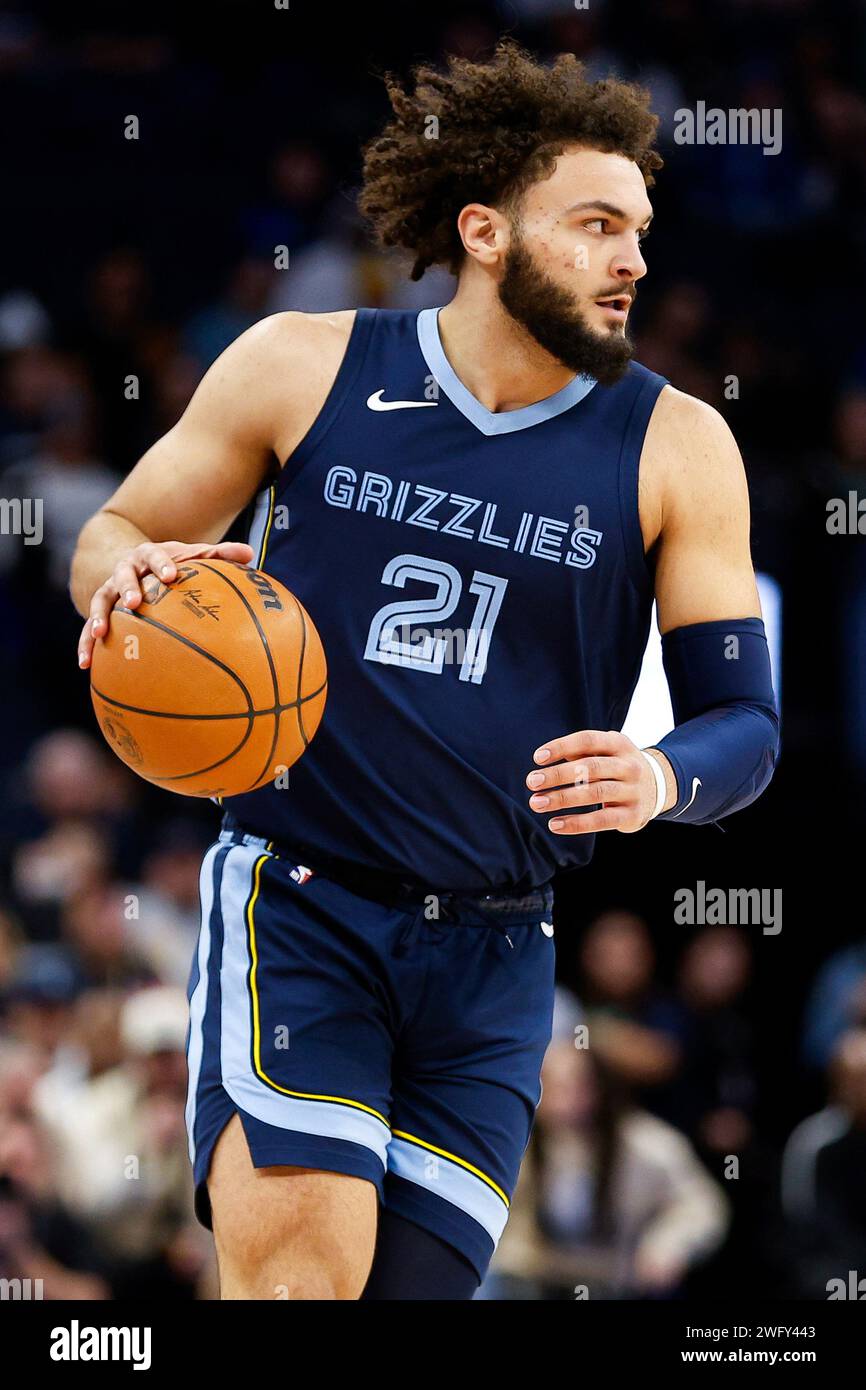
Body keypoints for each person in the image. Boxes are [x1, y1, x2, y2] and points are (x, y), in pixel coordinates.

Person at [69, 42, 778, 1300]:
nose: (634, 260)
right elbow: (118, 532)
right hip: (302, 904)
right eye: (597, 225)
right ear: (486, 231)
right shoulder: (304, 363)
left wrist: (658, 775)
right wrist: (117, 582)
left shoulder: (679, 446)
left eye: (642, 231)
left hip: (496, 960)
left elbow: (742, 727)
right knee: (295, 1288)